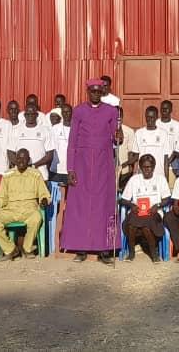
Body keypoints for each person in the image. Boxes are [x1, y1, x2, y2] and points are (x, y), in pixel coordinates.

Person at [62, 79, 121, 264]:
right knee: (80, 207)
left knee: (104, 207)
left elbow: (115, 138)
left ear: (102, 92)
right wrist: (70, 169)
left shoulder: (111, 111)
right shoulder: (78, 111)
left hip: (104, 165)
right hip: (82, 163)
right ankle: (80, 248)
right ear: (88, 92)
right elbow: (72, 142)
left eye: (99, 91)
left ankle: (105, 250)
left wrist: (119, 136)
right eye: (92, 91)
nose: (96, 94)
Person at [0, 149, 51, 260]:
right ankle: (11, 249)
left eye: (24, 158)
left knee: (36, 217)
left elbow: (44, 194)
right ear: (15, 159)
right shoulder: (7, 175)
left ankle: (27, 248)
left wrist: (44, 200)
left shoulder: (35, 174)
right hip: (10, 209)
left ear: (28, 160)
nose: (21, 161)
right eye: (19, 158)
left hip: (29, 209)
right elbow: (2, 196)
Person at [119, 154, 171, 262]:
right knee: (132, 224)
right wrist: (131, 205)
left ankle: (154, 253)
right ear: (140, 167)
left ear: (154, 167)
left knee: (146, 226)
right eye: (144, 167)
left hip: (153, 212)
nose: (147, 170)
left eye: (149, 167)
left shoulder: (160, 179)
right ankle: (131, 253)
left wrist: (157, 206)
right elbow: (123, 199)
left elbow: (167, 199)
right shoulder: (134, 179)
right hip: (137, 211)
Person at [8, 105, 55, 180]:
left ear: (37, 115)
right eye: (27, 114)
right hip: (21, 174)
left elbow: (50, 155)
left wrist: (34, 165)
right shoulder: (16, 131)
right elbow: (10, 152)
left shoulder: (45, 130)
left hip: (41, 175)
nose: (30, 116)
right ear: (24, 115)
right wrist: (21, 165)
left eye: (32, 114)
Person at [130, 106, 171, 188]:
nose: (150, 120)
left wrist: (166, 179)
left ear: (156, 117)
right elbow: (136, 157)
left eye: (152, 117)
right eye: (148, 117)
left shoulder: (163, 134)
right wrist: (134, 174)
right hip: (143, 175)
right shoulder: (139, 133)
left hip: (159, 174)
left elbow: (166, 159)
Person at [156, 100, 179, 183]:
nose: (164, 110)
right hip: (157, 166)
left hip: (173, 166)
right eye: (162, 108)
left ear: (171, 110)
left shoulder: (177, 126)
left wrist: (169, 161)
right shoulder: (156, 123)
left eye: (167, 108)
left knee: (171, 191)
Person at [48, 105, 72, 185]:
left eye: (68, 112)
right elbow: (50, 148)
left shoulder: (77, 128)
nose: (66, 114)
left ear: (72, 113)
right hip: (56, 169)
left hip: (71, 170)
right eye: (64, 112)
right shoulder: (55, 128)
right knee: (56, 195)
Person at [114, 107, 137, 188]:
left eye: (120, 116)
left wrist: (130, 167)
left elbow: (131, 152)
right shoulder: (106, 130)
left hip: (124, 169)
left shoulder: (129, 131)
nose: (118, 119)